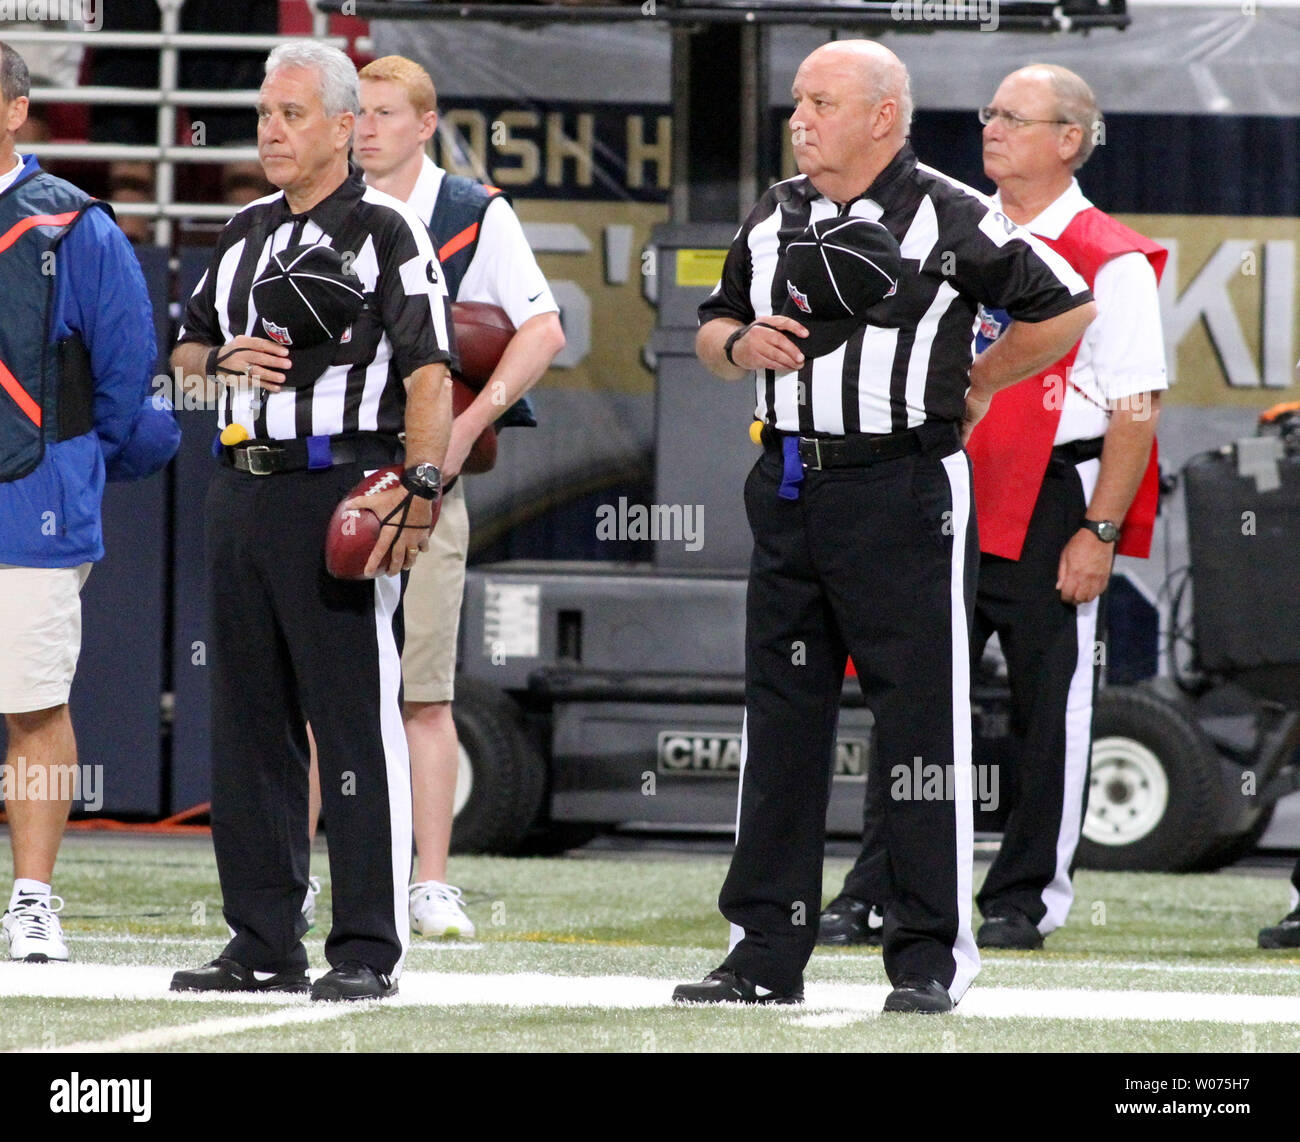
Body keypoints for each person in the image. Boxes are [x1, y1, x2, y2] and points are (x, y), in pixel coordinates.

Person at [672, 40, 1096, 1014]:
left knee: (919, 724)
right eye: (797, 101)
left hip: (903, 487)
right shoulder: (775, 210)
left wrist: (979, 379)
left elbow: (1065, 307)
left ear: (882, 115)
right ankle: (761, 951)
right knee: (780, 718)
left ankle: (926, 955)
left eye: (821, 102)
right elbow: (711, 324)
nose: (799, 119)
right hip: (787, 485)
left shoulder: (951, 213)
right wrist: (737, 343)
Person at [819, 64, 1167, 954]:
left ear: (1069, 140)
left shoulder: (1111, 256)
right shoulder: (954, 222)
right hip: (942, 487)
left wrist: (1098, 530)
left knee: (1049, 708)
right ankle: (878, 889)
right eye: (990, 112)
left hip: (1051, 496)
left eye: (1015, 116)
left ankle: (1023, 899)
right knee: (913, 698)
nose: (992, 128)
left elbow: (1135, 410)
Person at [167, 42, 455, 1003]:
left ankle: (368, 944)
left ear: (343, 127)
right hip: (239, 487)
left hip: (339, 487)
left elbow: (429, 370)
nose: (270, 131)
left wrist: (420, 484)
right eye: (263, 114)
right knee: (246, 724)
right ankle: (261, 939)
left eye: (291, 114)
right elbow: (184, 355)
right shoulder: (242, 230)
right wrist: (216, 362)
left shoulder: (389, 231)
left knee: (355, 722)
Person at [301, 55, 564, 940]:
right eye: (358, 112)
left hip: (423, 480)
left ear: (425, 124)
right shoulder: (319, 205)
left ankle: (432, 880)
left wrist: (470, 423)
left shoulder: (470, 213)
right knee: (321, 693)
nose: (367, 128)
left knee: (425, 688)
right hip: (331, 467)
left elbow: (542, 329)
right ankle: (297, 875)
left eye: (385, 113)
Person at [0, 41, 175, 962]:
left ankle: (32, 900)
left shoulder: (75, 226)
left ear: (14, 110)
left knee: (32, 703)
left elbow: (125, 379)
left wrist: (70, 471)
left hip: (32, 503)